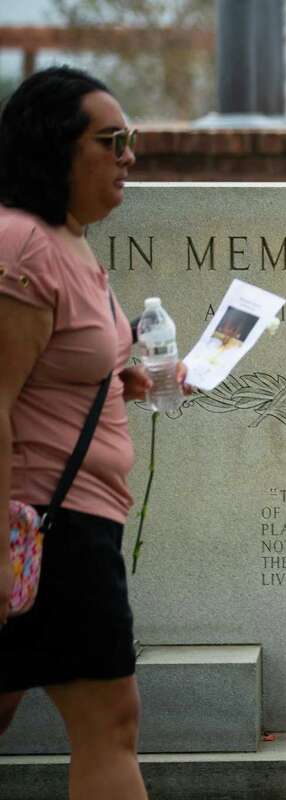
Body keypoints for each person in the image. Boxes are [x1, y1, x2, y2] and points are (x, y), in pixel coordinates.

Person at [0, 66, 184, 799]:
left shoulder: (69, 241)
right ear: (56, 148)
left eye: (130, 139)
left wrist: (121, 381)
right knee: (110, 724)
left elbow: (55, 368)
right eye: (112, 141)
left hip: (71, 523)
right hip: (46, 526)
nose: (128, 156)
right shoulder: (24, 249)